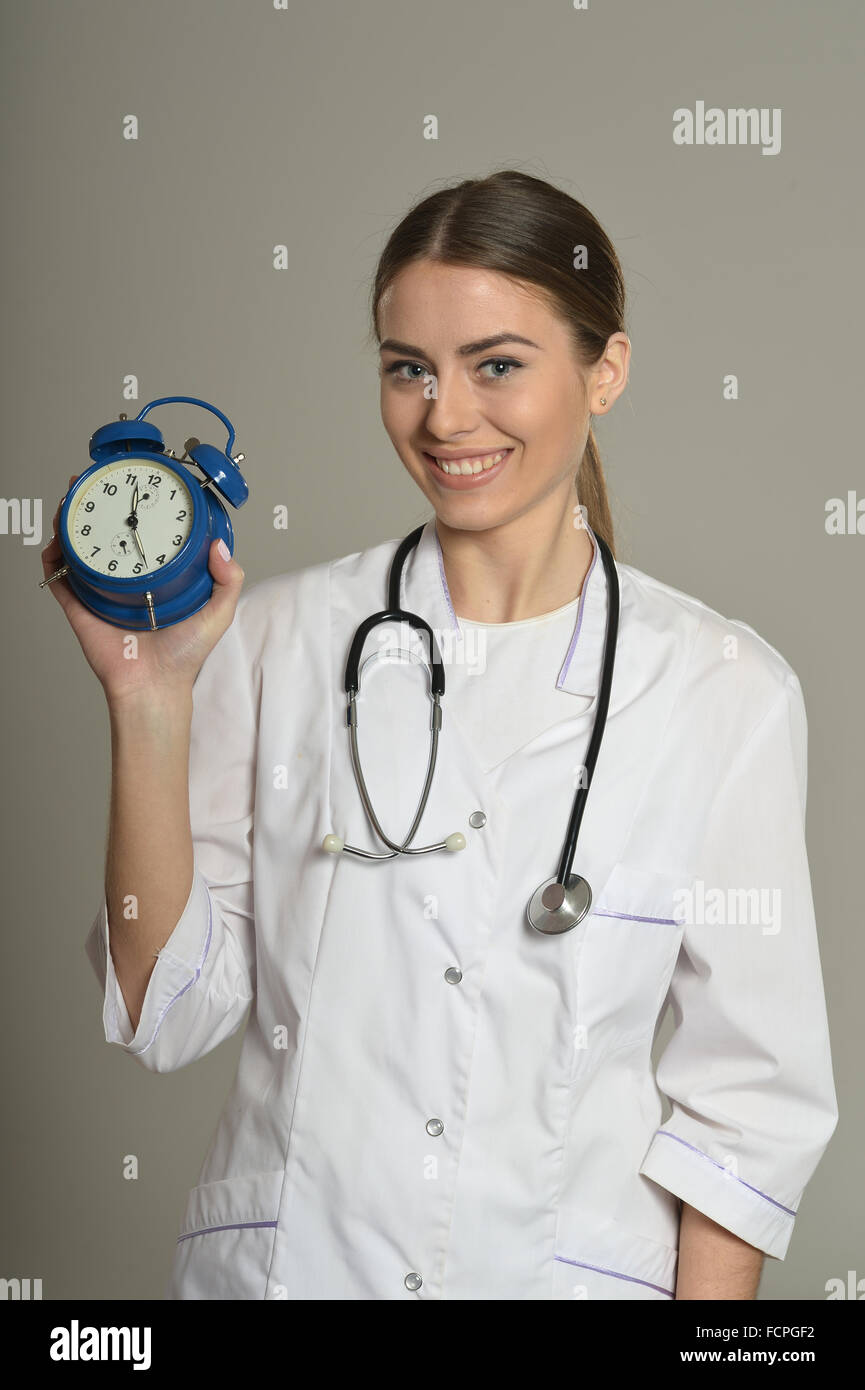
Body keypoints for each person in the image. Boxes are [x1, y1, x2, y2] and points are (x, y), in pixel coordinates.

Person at [43, 169, 838, 1301]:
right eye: (407, 368)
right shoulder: (274, 641)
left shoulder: (723, 690)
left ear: (604, 371)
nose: (444, 416)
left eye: (497, 365)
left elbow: (746, 1109)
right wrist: (147, 703)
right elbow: (166, 1011)